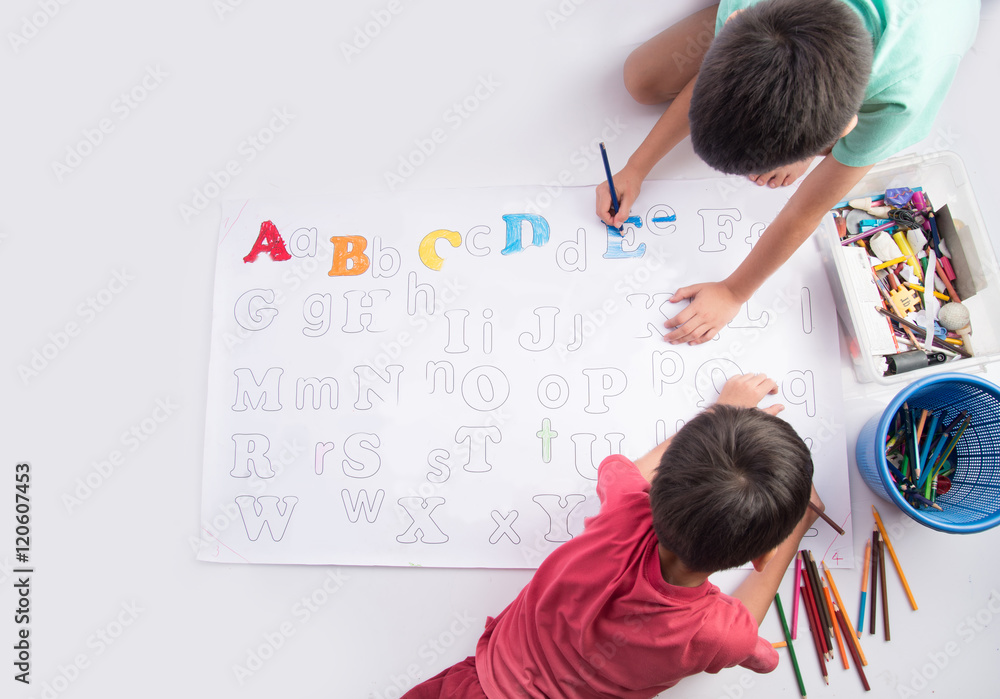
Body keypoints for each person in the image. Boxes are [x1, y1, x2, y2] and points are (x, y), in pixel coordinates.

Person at [403, 373, 821, 698]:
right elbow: (761, 655)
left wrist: (719, 413)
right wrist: (795, 529)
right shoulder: (717, 632)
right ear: (762, 556)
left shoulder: (624, 510)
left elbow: (615, 468)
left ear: (655, 488)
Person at [596, 0, 980, 345]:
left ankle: (804, 127)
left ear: (846, 128)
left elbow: (806, 209)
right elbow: (720, 82)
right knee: (641, 80)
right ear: (738, 21)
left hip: (921, 33)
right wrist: (635, 167)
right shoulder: (749, 10)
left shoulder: (901, 95)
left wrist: (734, 291)